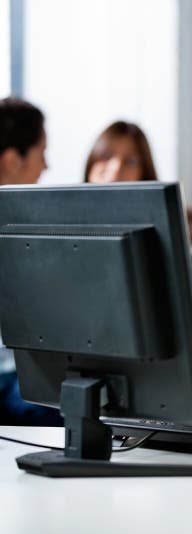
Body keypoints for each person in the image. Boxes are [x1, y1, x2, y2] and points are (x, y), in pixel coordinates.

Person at [0, 96, 62, 425]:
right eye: (42, 153)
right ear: (12, 160)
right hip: (10, 382)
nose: (46, 166)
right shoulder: (19, 234)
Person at [84, 120, 192, 241]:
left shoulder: (151, 212)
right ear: (92, 161)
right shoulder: (70, 212)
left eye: (130, 161)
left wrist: (162, 233)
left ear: (144, 172)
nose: (116, 169)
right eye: (106, 156)